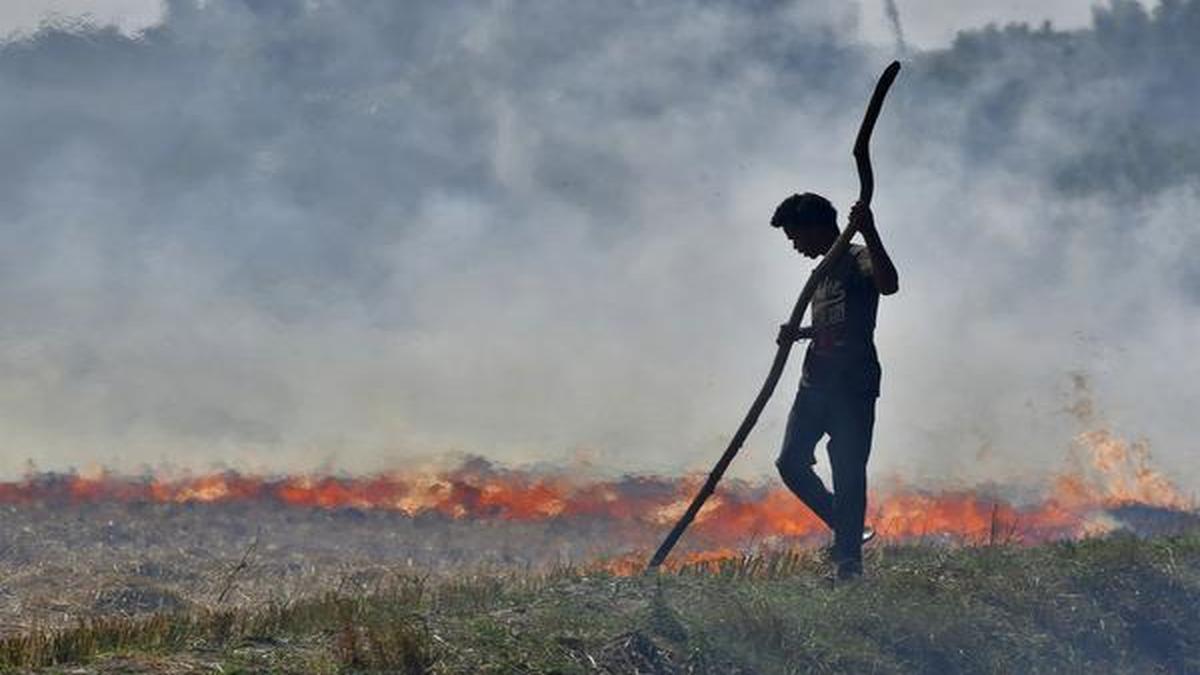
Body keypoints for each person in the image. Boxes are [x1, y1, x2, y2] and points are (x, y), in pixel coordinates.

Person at [771, 192, 899, 579]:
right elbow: (834, 323)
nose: (795, 246)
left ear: (817, 227)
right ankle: (847, 529)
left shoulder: (858, 257)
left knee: (847, 470)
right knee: (791, 462)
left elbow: (888, 284)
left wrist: (870, 231)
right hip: (815, 383)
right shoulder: (821, 270)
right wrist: (799, 332)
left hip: (853, 385)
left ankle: (848, 563)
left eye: (796, 237)